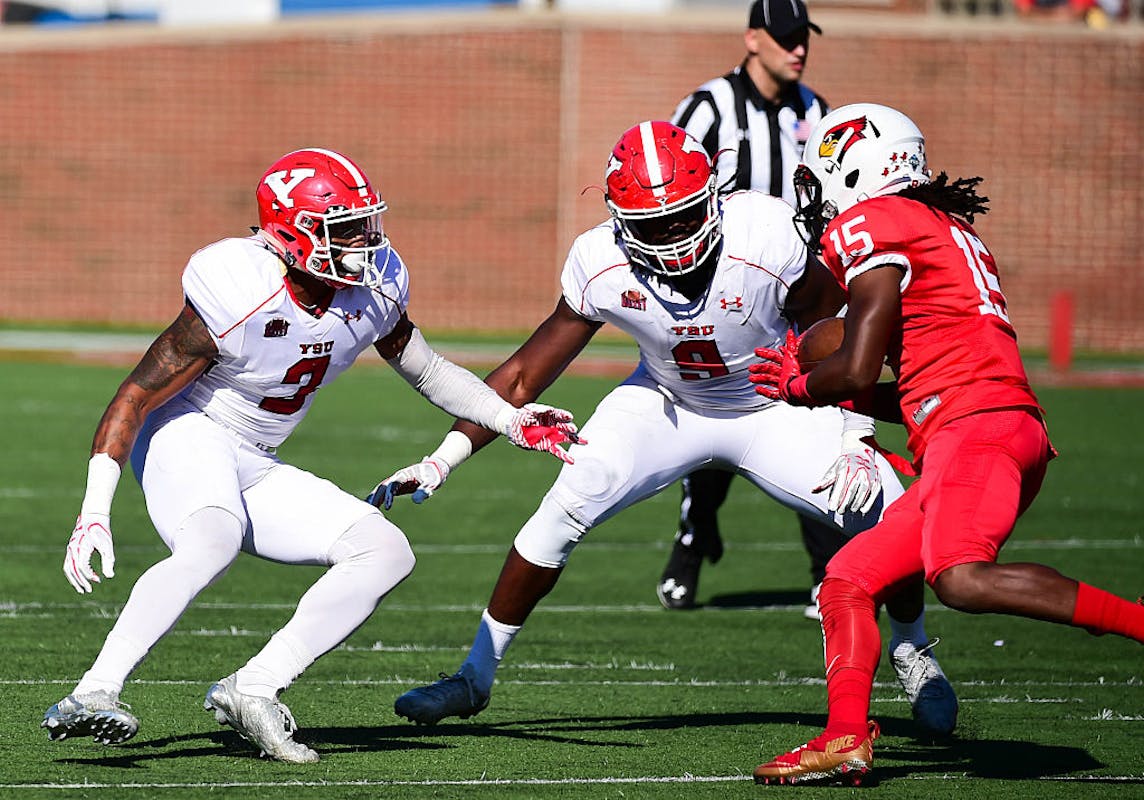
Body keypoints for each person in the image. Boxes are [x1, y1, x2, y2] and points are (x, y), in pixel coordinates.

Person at [377, 121, 956, 736]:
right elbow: (523, 375)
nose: (675, 236)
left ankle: (912, 648)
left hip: (775, 402)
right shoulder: (599, 260)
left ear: (711, 196)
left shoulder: (765, 232)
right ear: (620, 221)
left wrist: (852, 431)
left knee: (887, 510)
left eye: (684, 216)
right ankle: (474, 676)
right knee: (564, 503)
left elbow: (837, 334)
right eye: (656, 225)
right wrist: (444, 457)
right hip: (665, 401)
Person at [41, 148, 578, 763]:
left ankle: (254, 688)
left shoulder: (373, 288)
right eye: (342, 229)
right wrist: (94, 510)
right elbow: (135, 396)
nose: (363, 241)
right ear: (291, 233)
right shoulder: (240, 287)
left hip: (257, 455)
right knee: (211, 539)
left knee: (384, 552)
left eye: (364, 223)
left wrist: (511, 420)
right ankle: (95, 691)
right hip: (189, 430)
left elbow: (426, 369)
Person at [750, 103, 1144, 785]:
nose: (818, 200)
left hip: (979, 432)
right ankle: (846, 735)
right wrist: (819, 384)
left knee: (960, 577)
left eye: (822, 177)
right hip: (974, 430)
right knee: (847, 579)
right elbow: (906, 394)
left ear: (858, 167)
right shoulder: (939, 226)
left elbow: (857, 367)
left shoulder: (874, 222)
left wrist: (803, 383)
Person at [661, 0, 836, 616]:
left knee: (815, 416)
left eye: (803, 37)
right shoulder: (709, 107)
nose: (799, 48)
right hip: (726, 294)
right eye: (786, 37)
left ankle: (828, 572)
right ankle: (692, 540)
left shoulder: (816, 112)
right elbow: (670, 187)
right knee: (719, 421)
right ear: (752, 37)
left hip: (799, 292)